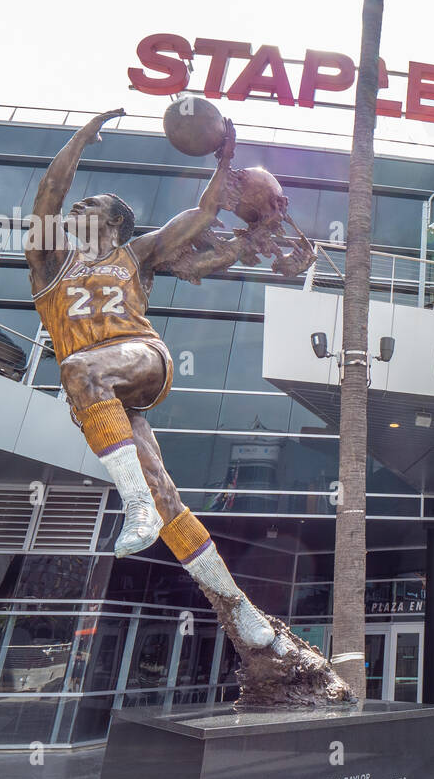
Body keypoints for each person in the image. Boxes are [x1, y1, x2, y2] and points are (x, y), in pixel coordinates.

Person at [25, 109, 274, 646]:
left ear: (114, 221)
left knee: (78, 368)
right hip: (98, 390)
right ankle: (244, 614)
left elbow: (206, 211)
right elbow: (50, 187)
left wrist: (226, 157)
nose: (77, 205)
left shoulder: (136, 254)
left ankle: (131, 503)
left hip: (141, 359)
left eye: (90, 204)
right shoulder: (49, 261)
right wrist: (83, 137)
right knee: (167, 498)